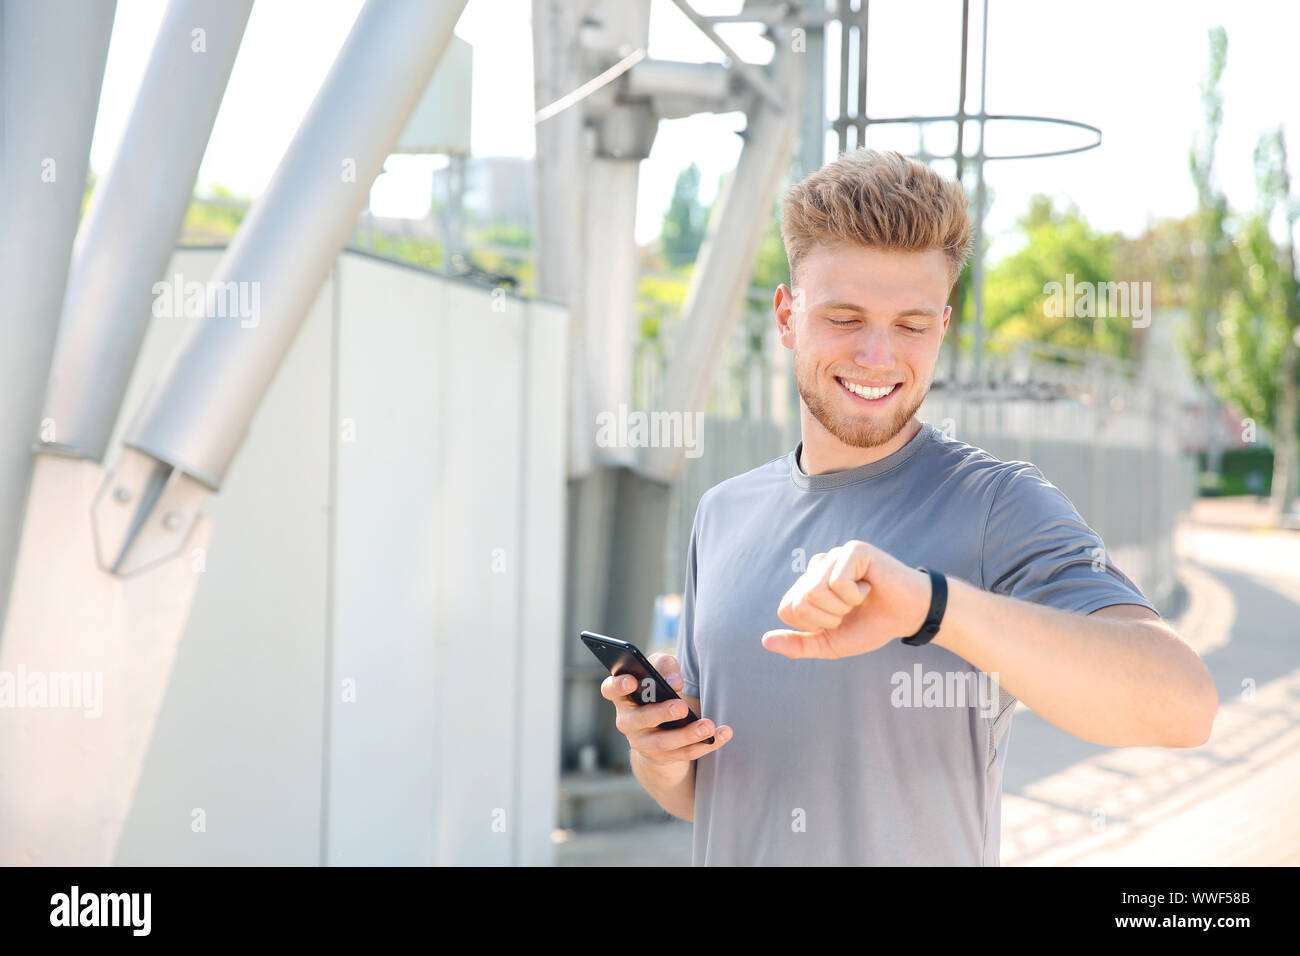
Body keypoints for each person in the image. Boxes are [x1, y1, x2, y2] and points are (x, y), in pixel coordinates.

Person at [600, 148, 1218, 866]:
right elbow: (708, 794)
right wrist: (661, 758)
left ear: (944, 328)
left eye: (912, 325)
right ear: (787, 316)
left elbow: (1186, 705)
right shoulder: (722, 513)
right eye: (845, 316)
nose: (877, 355)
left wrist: (930, 608)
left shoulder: (998, 506)